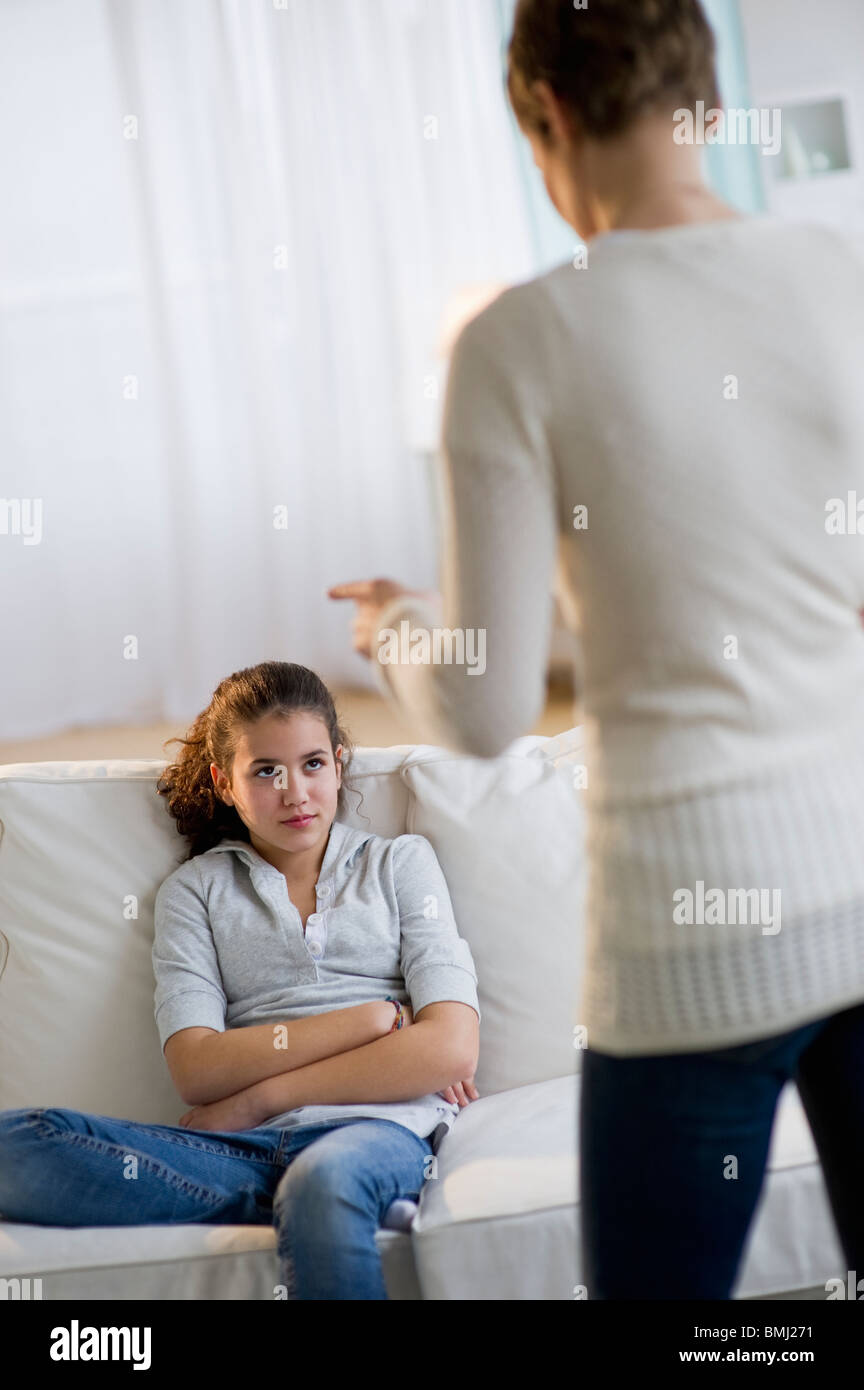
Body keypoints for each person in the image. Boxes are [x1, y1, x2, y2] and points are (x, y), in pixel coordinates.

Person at [329, 0, 864, 1298]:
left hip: (689, 947)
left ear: (550, 117)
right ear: (700, 86)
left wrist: (392, 623)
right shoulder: (839, 275)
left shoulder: (518, 341)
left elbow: (483, 703)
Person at [0, 661, 481, 1300]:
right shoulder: (194, 892)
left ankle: (303, 1199)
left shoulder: (401, 864)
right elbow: (197, 1069)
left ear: (339, 764)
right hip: (236, 1154)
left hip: (374, 1134)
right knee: (17, 1141)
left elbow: (450, 1049)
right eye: (265, 771)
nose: (295, 793)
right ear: (224, 783)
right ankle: (281, 1202)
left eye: (312, 764)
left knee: (321, 1181)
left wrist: (253, 1098)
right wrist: (372, 1024)